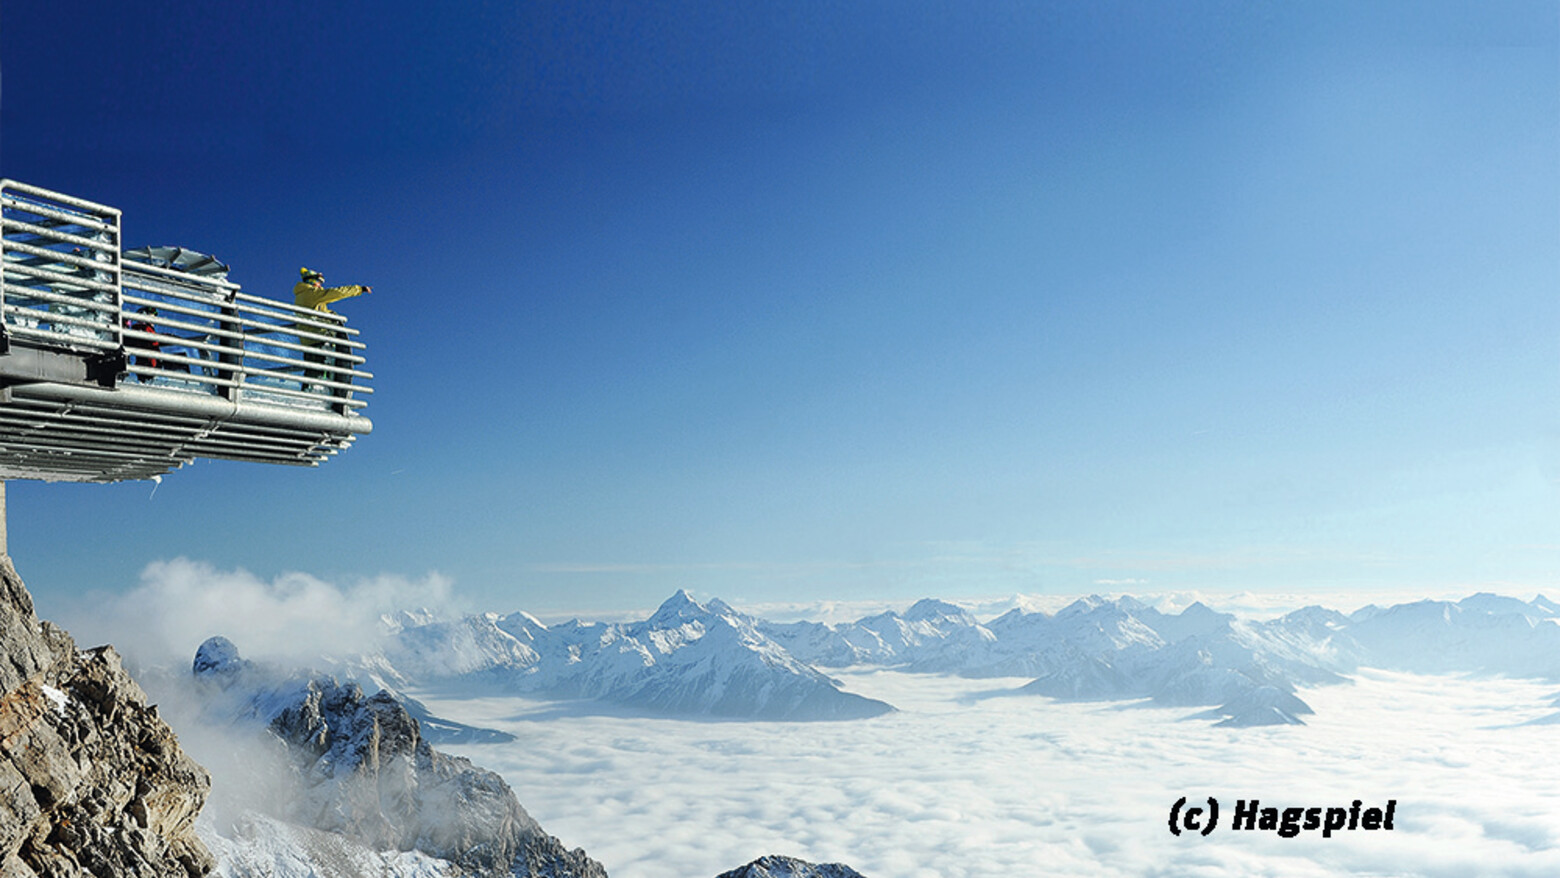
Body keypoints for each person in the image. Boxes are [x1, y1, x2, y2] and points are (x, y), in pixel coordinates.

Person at [293, 267, 371, 383]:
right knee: (320, 372)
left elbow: (317, 313)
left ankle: (311, 393)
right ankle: (316, 396)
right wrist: (359, 289)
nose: (320, 285)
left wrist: (331, 314)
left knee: (314, 371)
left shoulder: (302, 296)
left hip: (309, 340)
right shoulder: (311, 294)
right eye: (319, 282)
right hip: (318, 337)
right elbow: (337, 293)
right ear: (312, 281)